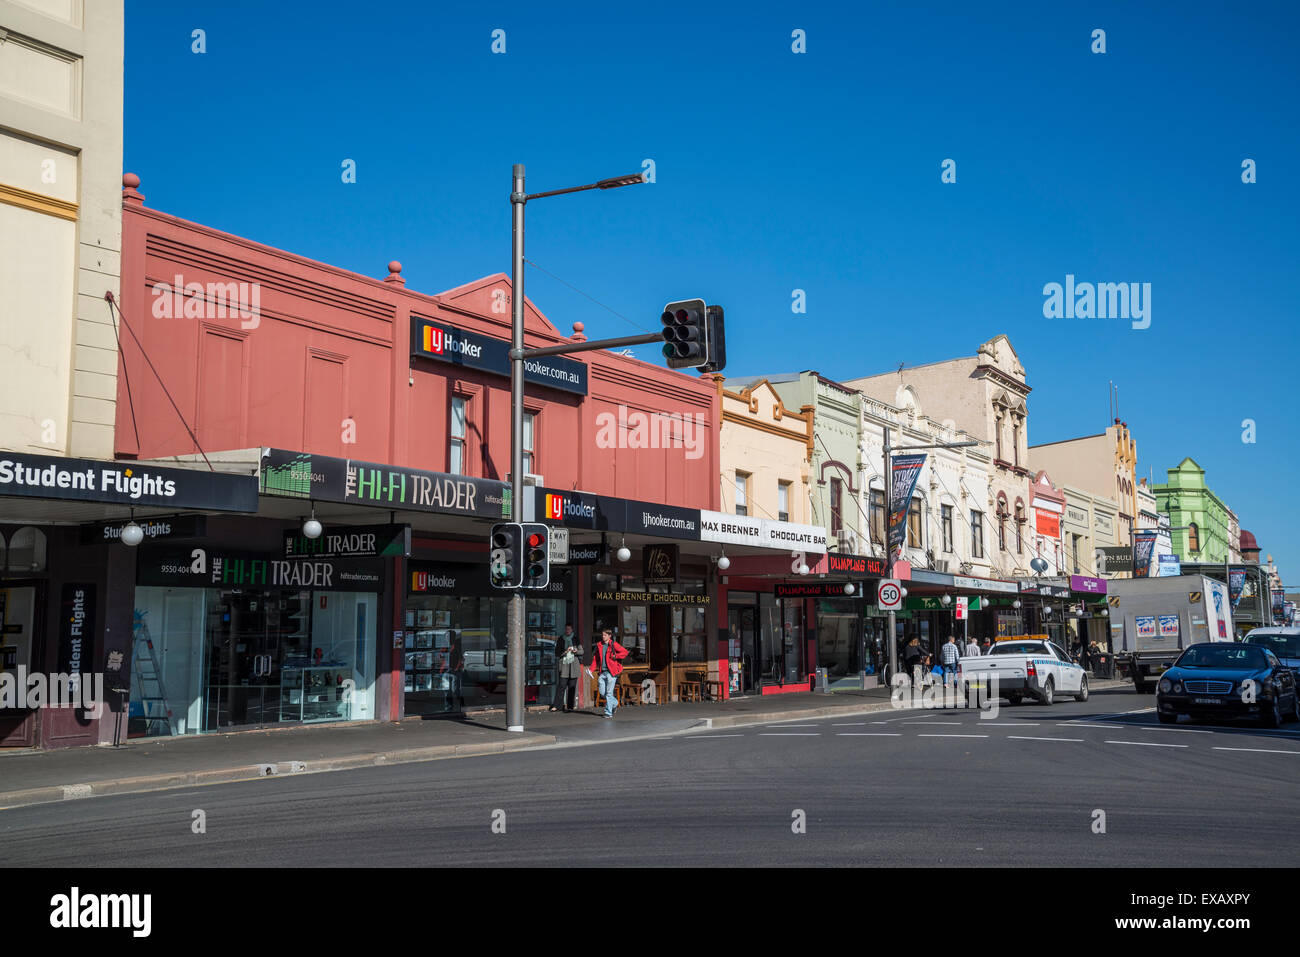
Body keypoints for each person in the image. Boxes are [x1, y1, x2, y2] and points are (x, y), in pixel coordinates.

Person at [589, 627, 629, 718]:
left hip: (612, 672)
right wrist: (591, 669)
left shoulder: (613, 644)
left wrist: (616, 656)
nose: (603, 637)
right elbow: (596, 659)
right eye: (602, 635)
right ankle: (615, 703)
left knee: (609, 693)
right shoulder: (599, 645)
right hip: (602, 672)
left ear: (609, 636)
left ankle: (608, 713)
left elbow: (625, 652)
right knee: (603, 692)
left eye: (605, 635)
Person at [550, 624, 583, 712]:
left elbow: (581, 651)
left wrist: (575, 651)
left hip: (574, 666)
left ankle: (570, 706)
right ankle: (557, 706)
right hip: (564, 665)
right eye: (566, 629)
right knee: (561, 686)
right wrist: (565, 652)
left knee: (572, 687)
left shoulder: (576, 639)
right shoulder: (561, 639)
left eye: (569, 629)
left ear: (572, 630)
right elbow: (557, 653)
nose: (567, 630)